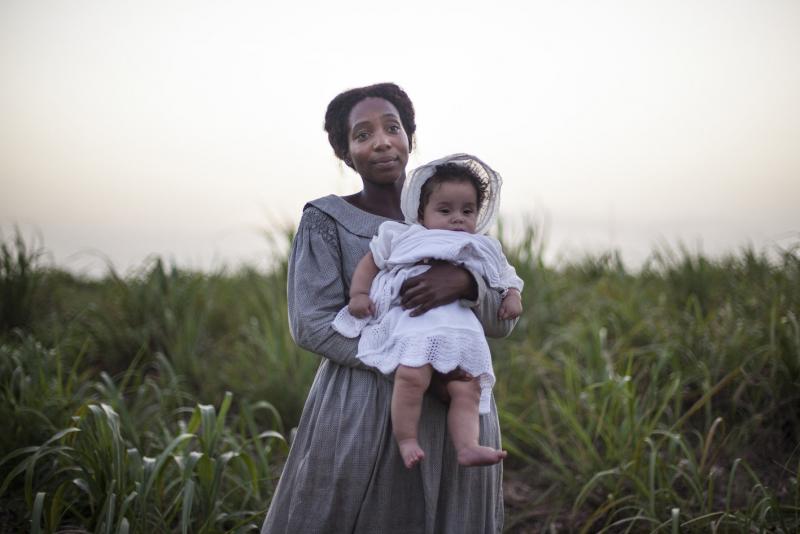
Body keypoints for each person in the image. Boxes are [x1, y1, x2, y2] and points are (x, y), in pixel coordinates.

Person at [260, 83, 518, 534]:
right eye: (362, 134)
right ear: (345, 153)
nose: (381, 141)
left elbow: (503, 322)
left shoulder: (456, 218)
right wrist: (416, 366)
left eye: (392, 128)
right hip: (365, 407)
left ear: (410, 138)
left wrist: (465, 283)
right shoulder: (327, 220)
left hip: (457, 412)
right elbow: (312, 325)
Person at [331, 154, 523, 470]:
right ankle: (406, 439)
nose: (458, 219)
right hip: (415, 329)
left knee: (467, 389)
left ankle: (467, 446)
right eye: (445, 210)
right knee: (411, 376)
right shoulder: (406, 236)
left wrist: (513, 297)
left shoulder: (482, 247)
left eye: (467, 210)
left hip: (459, 334)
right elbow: (372, 261)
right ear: (422, 213)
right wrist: (360, 294)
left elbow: (506, 277)